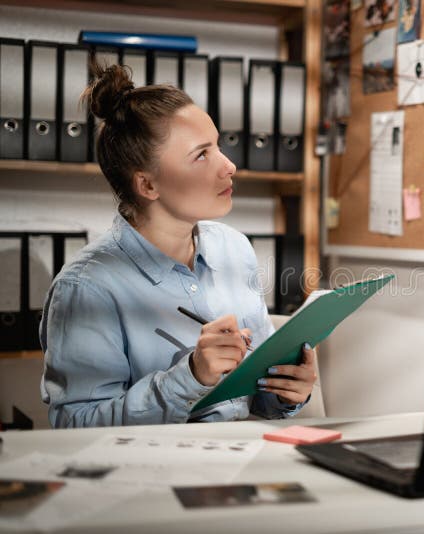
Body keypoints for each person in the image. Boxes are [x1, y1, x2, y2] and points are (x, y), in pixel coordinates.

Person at [39, 61, 316, 428]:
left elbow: (255, 394)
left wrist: (283, 391)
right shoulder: (87, 287)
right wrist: (190, 376)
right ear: (148, 185)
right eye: (202, 155)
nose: (229, 165)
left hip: (240, 458)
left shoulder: (235, 249)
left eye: (218, 146)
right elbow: (74, 426)